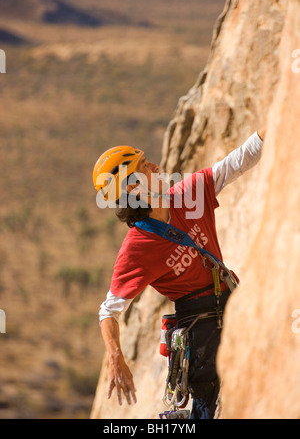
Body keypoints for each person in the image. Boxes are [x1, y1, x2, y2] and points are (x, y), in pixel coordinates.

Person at [93, 127, 266, 419]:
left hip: (232, 307)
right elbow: (109, 311)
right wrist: (115, 356)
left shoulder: (189, 195)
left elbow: (239, 160)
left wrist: (272, 126)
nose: (156, 167)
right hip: (200, 334)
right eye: (145, 165)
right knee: (210, 406)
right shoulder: (137, 248)